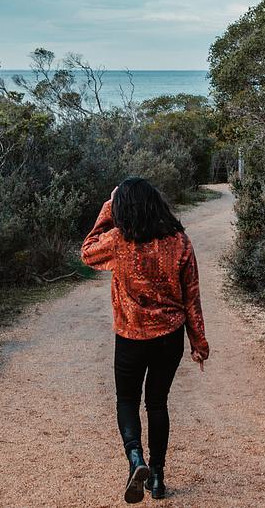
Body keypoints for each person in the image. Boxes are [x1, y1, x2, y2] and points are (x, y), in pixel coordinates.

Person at [80, 176, 210, 503]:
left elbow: (86, 251)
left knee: (127, 400)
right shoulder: (179, 241)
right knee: (157, 402)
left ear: (124, 208)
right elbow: (191, 297)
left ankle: (136, 459)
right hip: (170, 338)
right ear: (156, 203)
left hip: (131, 338)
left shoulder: (118, 241)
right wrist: (199, 343)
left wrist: (108, 207)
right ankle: (158, 477)